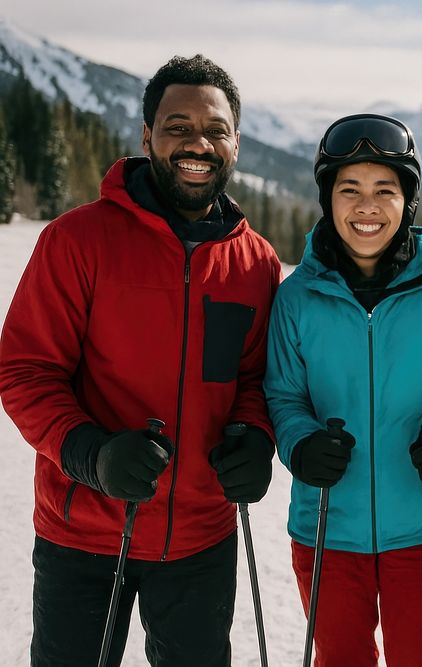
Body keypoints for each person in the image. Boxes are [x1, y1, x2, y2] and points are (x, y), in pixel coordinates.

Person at [0, 55, 281, 665]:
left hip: (202, 540)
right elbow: (25, 371)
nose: (197, 143)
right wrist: (89, 452)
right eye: (178, 126)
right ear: (147, 136)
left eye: (215, 129)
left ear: (235, 142)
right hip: (84, 531)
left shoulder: (255, 262)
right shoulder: (76, 241)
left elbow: (256, 378)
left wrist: (255, 437)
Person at [264, 113, 422, 667]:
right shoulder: (297, 297)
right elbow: (283, 395)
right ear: (329, 199)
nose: (367, 207)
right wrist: (299, 444)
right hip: (326, 529)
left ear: (406, 202)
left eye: (384, 190)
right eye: (350, 190)